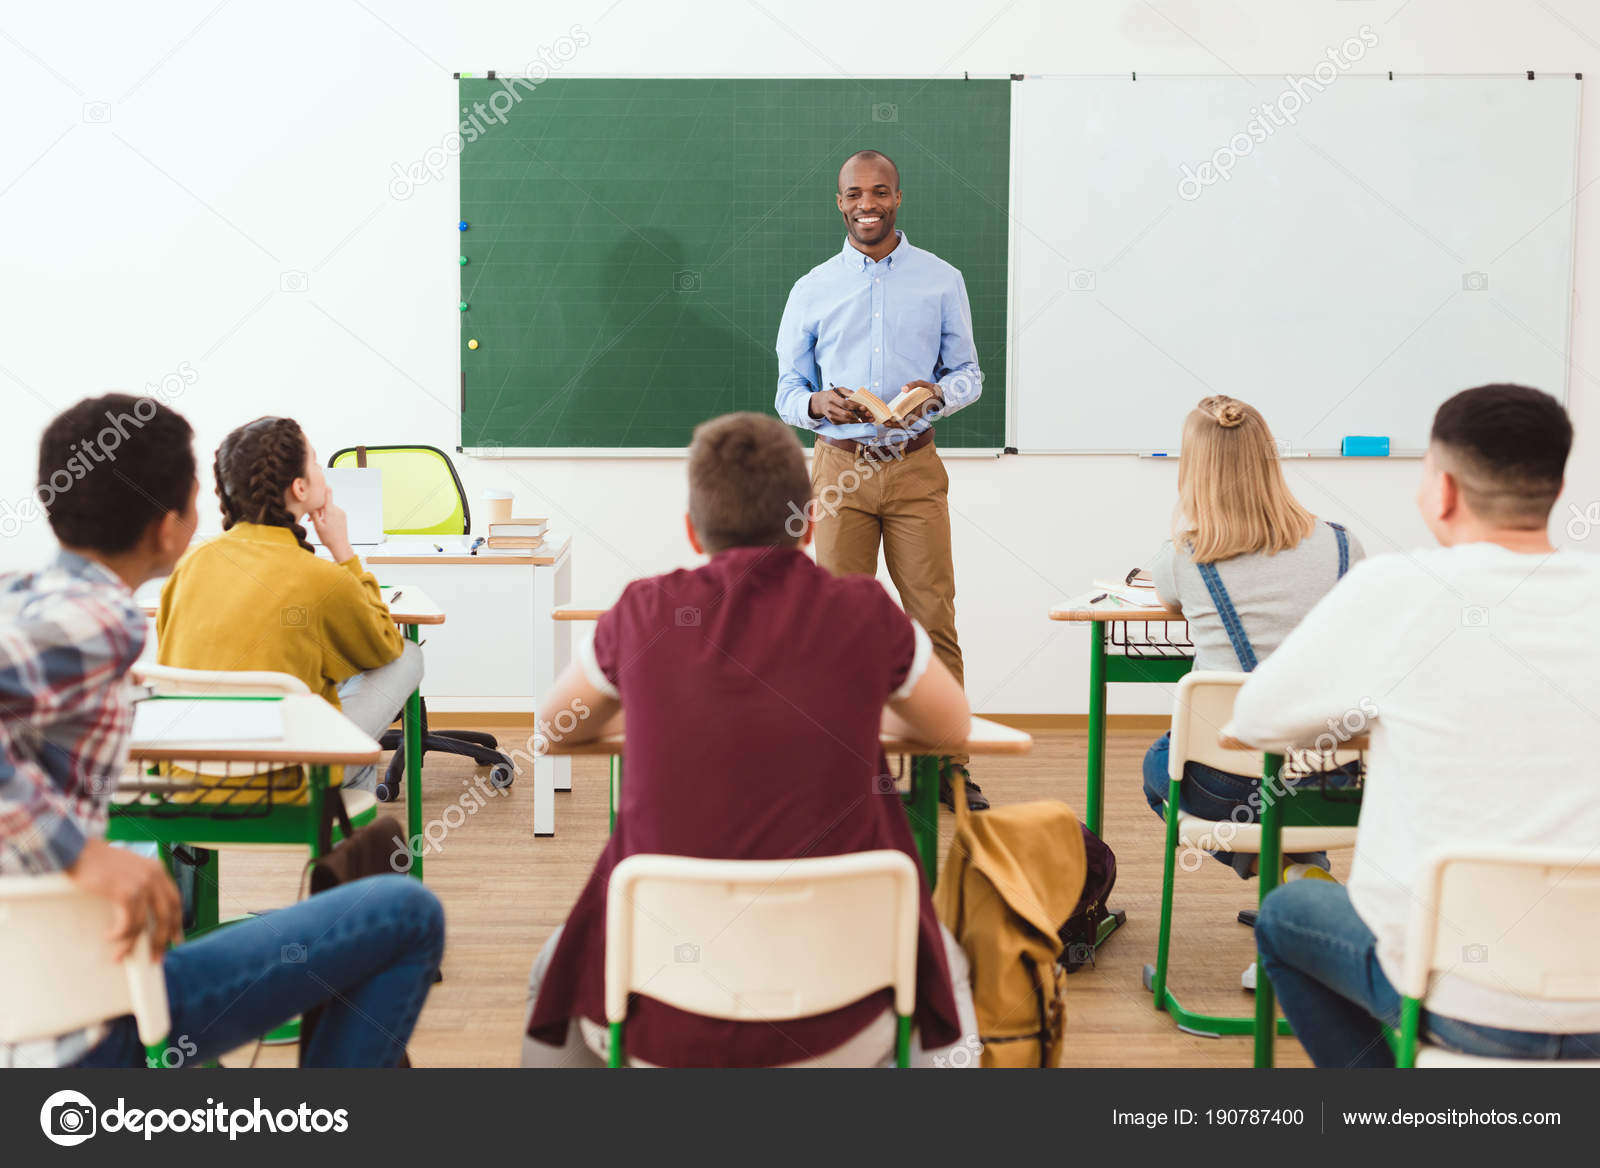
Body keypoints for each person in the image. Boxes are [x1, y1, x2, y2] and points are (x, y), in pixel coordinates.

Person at [522, 412, 978, 1067]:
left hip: (657, 1025)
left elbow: (556, 723)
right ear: (811, 521)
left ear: (691, 530)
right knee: (953, 967)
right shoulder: (864, 611)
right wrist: (858, 709)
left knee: (551, 970)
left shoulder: (643, 612)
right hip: (846, 1026)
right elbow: (951, 726)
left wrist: (652, 709)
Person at [0, 395, 442, 1068]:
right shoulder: (99, 618)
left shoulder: (22, 593)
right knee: (407, 914)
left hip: (50, 978)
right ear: (171, 524)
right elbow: (383, 648)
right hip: (85, 1021)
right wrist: (86, 855)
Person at [1236, 383, 1600, 1065]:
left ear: (1443, 492)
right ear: (1553, 488)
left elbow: (1256, 719)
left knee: (1285, 918)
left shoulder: (1395, 590)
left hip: (1463, 997)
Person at [775, 149, 988, 810]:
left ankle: (949, 766)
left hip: (915, 465)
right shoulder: (812, 287)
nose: (867, 204)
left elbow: (969, 375)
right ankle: (849, 766)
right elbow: (787, 389)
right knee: (840, 627)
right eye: (854, 194)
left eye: (880, 192)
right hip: (839, 468)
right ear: (839, 203)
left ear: (899, 197)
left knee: (932, 618)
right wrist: (816, 405)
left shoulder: (941, 279)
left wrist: (938, 397)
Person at [1143, 395, 1363, 880]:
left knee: (1158, 767)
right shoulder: (1346, 545)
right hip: (1330, 776)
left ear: (1193, 471)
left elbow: (1171, 605)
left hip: (1230, 785)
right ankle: (1301, 877)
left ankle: (1278, 871)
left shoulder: (1182, 557)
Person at [157, 416, 420, 793]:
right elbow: (382, 647)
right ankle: (343, 842)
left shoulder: (189, 566)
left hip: (187, 776)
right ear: (300, 488)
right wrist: (343, 551)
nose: (320, 468)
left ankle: (186, 849)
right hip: (289, 780)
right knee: (407, 655)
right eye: (315, 461)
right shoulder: (323, 579)